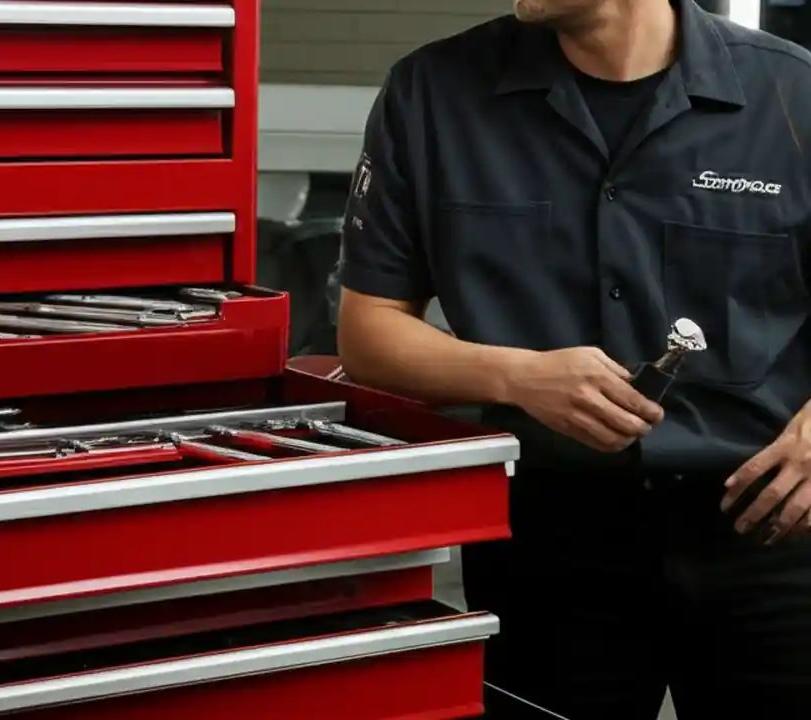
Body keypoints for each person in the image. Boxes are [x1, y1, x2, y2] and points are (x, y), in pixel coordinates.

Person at [335, 0, 811, 717]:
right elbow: (369, 332)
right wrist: (518, 375)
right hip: (547, 546)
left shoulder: (794, 96)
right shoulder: (432, 93)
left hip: (770, 535)